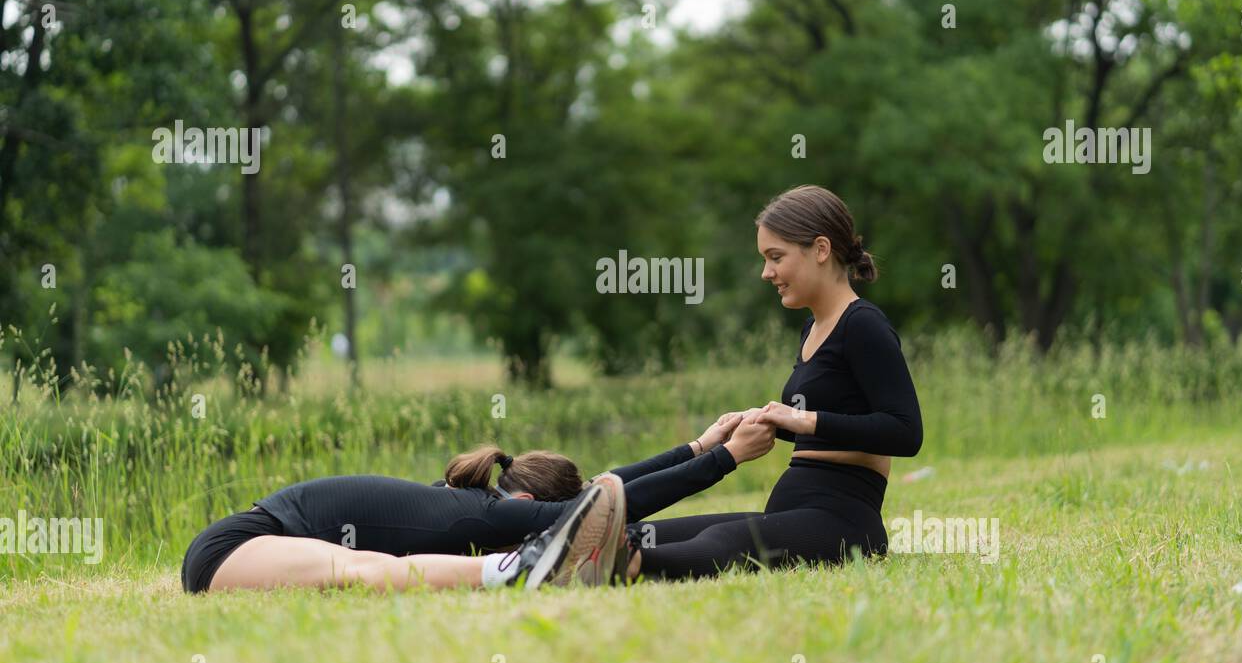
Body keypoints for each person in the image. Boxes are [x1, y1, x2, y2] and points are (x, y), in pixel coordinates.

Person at [620, 184, 924, 580]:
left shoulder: (863, 324)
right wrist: (769, 421)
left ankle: (623, 568)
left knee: (723, 542)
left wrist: (805, 420)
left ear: (820, 249)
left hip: (843, 523)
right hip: (790, 514)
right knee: (641, 534)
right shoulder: (813, 328)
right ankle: (574, 553)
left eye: (775, 257)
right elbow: (833, 423)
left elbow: (905, 432)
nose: (767, 273)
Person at [180, 412, 774, 594]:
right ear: (522, 501)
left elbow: (605, 488)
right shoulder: (475, 513)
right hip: (230, 553)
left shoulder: (469, 503)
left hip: (252, 545)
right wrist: (724, 461)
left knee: (370, 569)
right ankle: (518, 571)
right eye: (534, 521)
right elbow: (602, 504)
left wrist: (699, 446)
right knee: (367, 572)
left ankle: (525, 565)